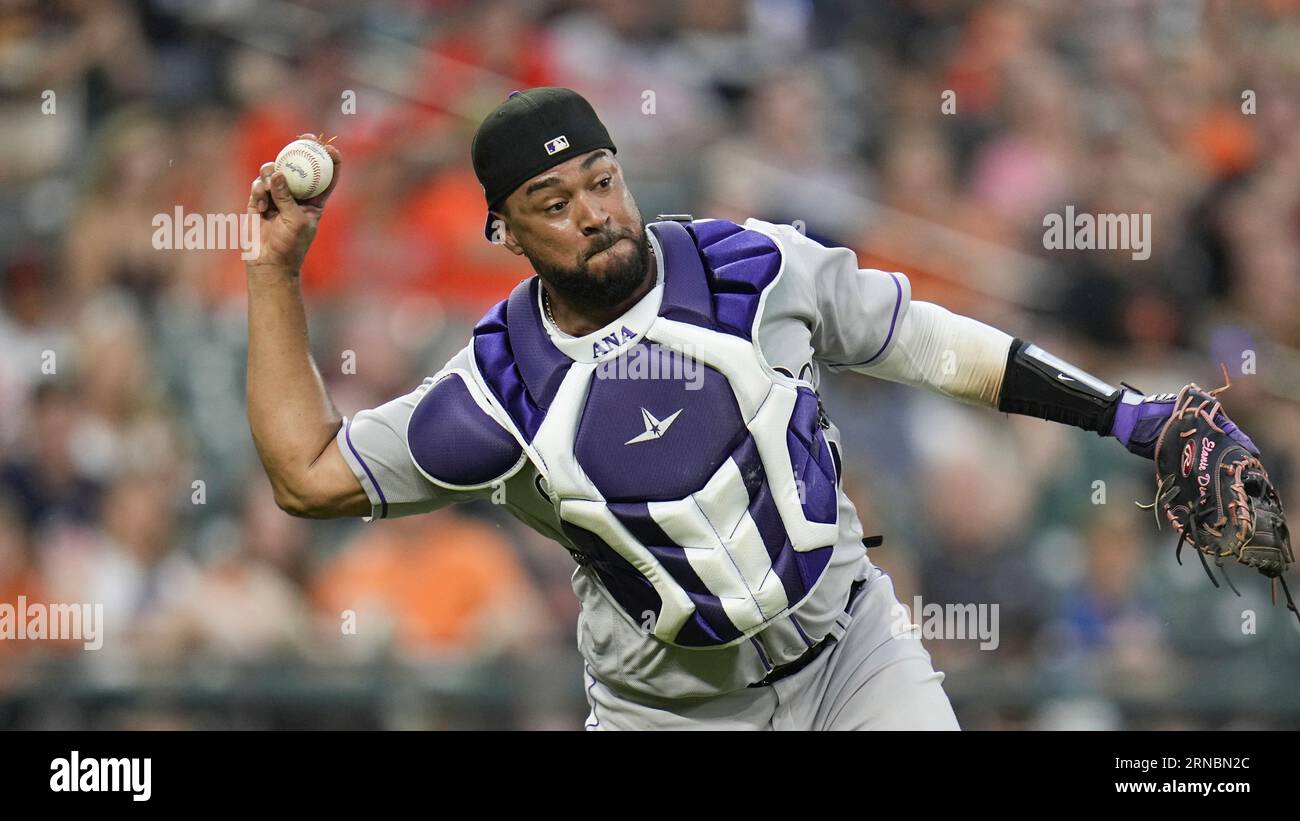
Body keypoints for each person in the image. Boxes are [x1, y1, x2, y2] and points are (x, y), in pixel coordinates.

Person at [243, 87, 1258, 730]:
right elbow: (311, 473)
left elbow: (928, 345)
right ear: (502, 230)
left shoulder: (751, 267)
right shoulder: (498, 385)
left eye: (602, 179)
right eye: (554, 203)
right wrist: (276, 273)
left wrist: (1128, 416)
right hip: (671, 711)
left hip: (854, 652)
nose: (594, 211)